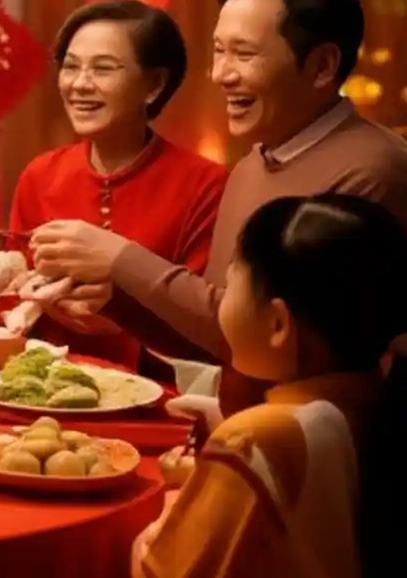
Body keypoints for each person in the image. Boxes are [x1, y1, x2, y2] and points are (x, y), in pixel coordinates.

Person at [30, 0, 407, 416]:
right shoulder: (255, 162)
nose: (220, 75)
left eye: (243, 54)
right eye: (219, 51)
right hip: (241, 433)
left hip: (306, 452)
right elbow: (216, 333)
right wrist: (112, 302)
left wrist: (119, 257)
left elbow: (273, 345)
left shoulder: (373, 170)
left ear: (322, 65)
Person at [131, 194, 406, 577]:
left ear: (278, 324)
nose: (225, 298)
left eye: (231, 284)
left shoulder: (256, 440)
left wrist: (160, 525)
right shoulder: (375, 398)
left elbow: (158, 568)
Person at [4, 0, 226, 371]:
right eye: (70, 67)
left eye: (103, 69)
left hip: (160, 393)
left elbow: (208, 322)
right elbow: (10, 299)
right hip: (42, 387)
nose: (79, 84)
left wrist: (121, 318)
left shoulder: (205, 185)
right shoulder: (40, 175)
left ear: (154, 84)